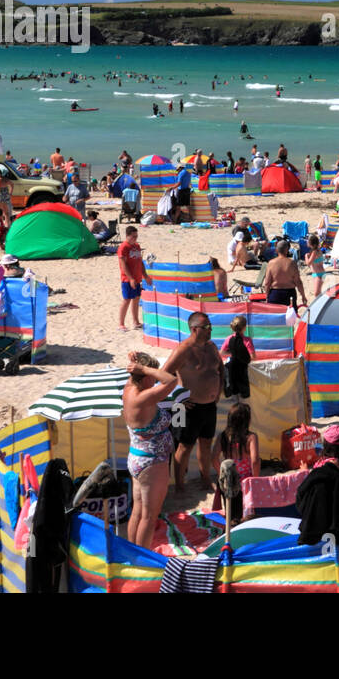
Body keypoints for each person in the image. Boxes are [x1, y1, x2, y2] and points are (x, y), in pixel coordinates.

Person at [163, 311, 225, 491]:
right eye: (206, 327)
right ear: (194, 329)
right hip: (186, 408)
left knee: (206, 443)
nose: (210, 330)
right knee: (183, 447)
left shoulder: (211, 346)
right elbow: (164, 374)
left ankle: (205, 479)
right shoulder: (183, 350)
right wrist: (177, 398)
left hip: (209, 406)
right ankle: (180, 486)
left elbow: (220, 368)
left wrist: (218, 391)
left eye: (211, 326)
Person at [123, 354, 179, 548]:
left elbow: (138, 378)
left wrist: (138, 364)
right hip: (152, 461)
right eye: (152, 377)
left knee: (138, 512)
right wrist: (146, 368)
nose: (155, 380)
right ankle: (143, 559)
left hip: (137, 457)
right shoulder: (144, 397)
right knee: (149, 516)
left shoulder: (129, 389)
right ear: (144, 376)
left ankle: (132, 551)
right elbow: (172, 380)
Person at [212, 402, 259, 523]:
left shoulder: (223, 436)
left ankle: (232, 522)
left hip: (228, 479)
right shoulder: (251, 437)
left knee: (231, 512)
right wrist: (255, 479)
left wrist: (221, 474)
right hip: (244, 482)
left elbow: (214, 458)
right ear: (247, 420)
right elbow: (255, 461)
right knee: (245, 514)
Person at [117, 226, 149, 330]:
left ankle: (136, 322)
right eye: (133, 236)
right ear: (127, 236)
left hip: (137, 278)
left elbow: (140, 262)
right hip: (127, 279)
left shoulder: (137, 246)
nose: (135, 238)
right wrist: (130, 279)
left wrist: (145, 276)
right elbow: (123, 265)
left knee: (136, 299)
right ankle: (121, 324)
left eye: (136, 236)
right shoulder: (123, 247)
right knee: (127, 300)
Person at [261, 239, 306, 308]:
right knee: (290, 317)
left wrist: (266, 296)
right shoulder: (292, 263)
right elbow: (298, 282)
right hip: (289, 293)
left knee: (274, 317)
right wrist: (303, 295)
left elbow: (267, 282)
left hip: (275, 293)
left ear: (277, 250)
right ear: (287, 250)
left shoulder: (271, 263)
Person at [222, 314, 253, 399]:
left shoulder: (228, 339)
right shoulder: (247, 340)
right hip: (242, 371)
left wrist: (232, 352)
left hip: (232, 369)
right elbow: (253, 356)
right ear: (244, 327)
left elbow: (222, 352)